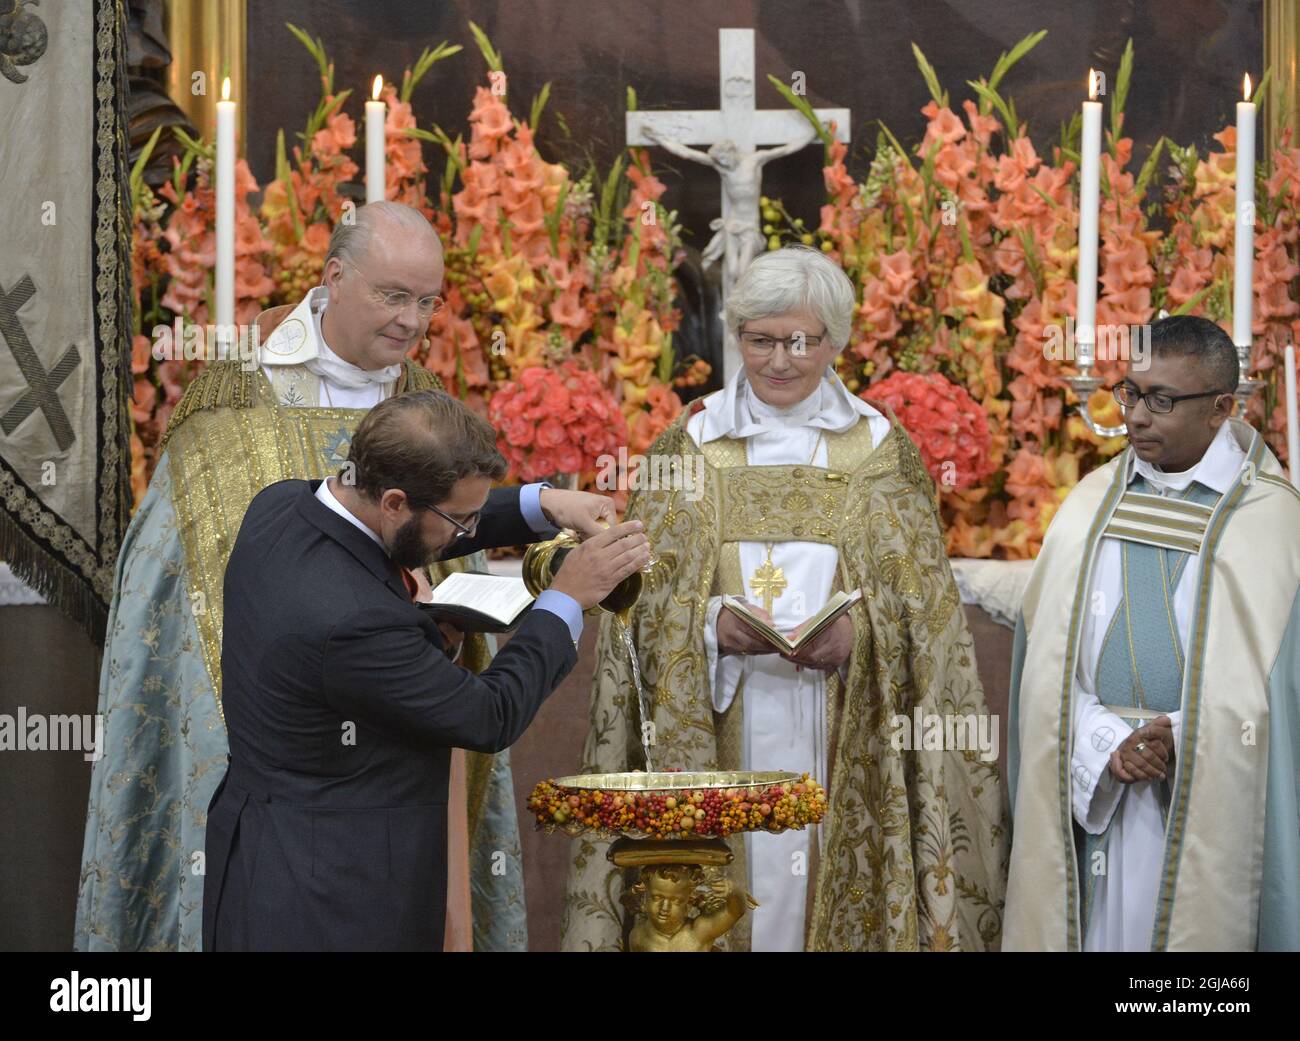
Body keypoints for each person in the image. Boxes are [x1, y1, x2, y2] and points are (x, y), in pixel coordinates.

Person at [78, 202, 525, 950]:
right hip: (271, 743)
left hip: (402, 720)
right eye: (393, 295)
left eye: (427, 301)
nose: (413, 321)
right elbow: (175, 577)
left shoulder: (427, 406)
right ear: (334, 279)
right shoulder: (234, 404)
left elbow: (455, 532)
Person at [562, 246, 1007, 952]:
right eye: (760, 340)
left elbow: (930, 619)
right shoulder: (693, 442)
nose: (778, 360)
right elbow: (638, 608)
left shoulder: (879, 448)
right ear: (735, 335)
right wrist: (709, 628)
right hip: (722, 720)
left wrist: (863, 637)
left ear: (836, 340)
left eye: (801, 341)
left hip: (843, 727)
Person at [203, 389, 651, 951]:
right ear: (393, 502)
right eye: (462, 520)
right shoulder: (357, 620)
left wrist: (544, 504)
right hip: (334, 897)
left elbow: (420, 525)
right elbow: (489, 715)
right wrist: (564, 599)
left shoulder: (281, 506)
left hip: (256, 855)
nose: (467, 533)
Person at [1005, 315, 1300, 951]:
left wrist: (1178, 737)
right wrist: (1108, 742)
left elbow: (1281, 695)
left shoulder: (1273, 522)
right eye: (1130, 392)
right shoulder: (1088, 505)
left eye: (1162, 400)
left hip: (1212, 803)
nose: (1136, 417)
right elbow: (1045, 671)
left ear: (1222, 407)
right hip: (1101, 796)